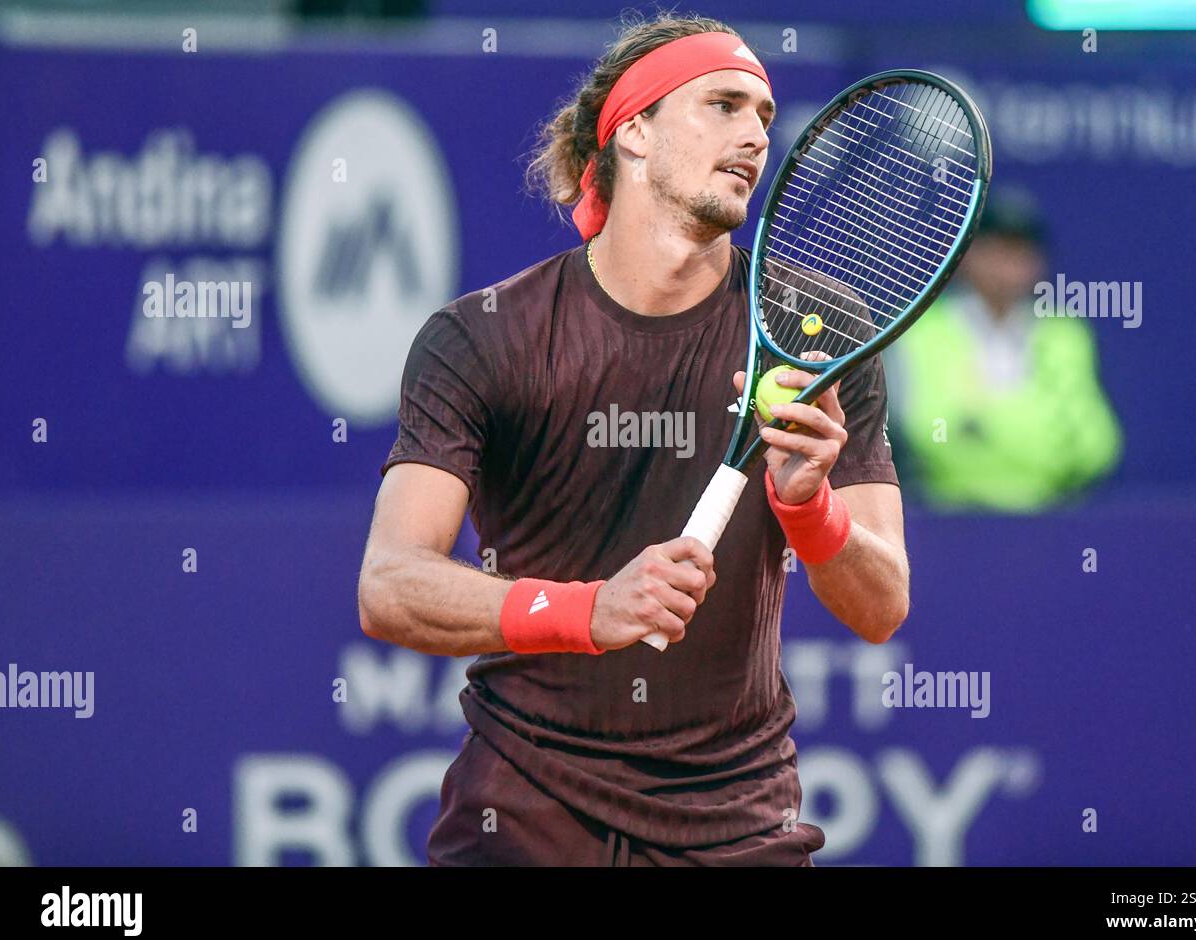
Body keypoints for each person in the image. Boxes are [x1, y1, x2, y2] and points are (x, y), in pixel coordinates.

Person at [357, 13, 909, 867]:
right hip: (525, 819)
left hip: (738, 827)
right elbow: (389, 585)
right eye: (724, 105)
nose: (756, 135)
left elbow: (881, 607)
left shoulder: (824, 331)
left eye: (764, 116)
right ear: (635, 131)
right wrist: (588, 611)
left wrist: (810, 509)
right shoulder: (484, 338)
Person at [885, 188, 1123, 512]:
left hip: (1050, 521)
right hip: (945, 522)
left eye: (1021, 252)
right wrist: (1035, 437)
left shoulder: (1066, 334)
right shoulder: (919, 330)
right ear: (967, 255)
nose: (1009, 265)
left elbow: (1097, 446)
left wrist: (982, 430)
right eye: (997, 250)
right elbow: (929, 434)